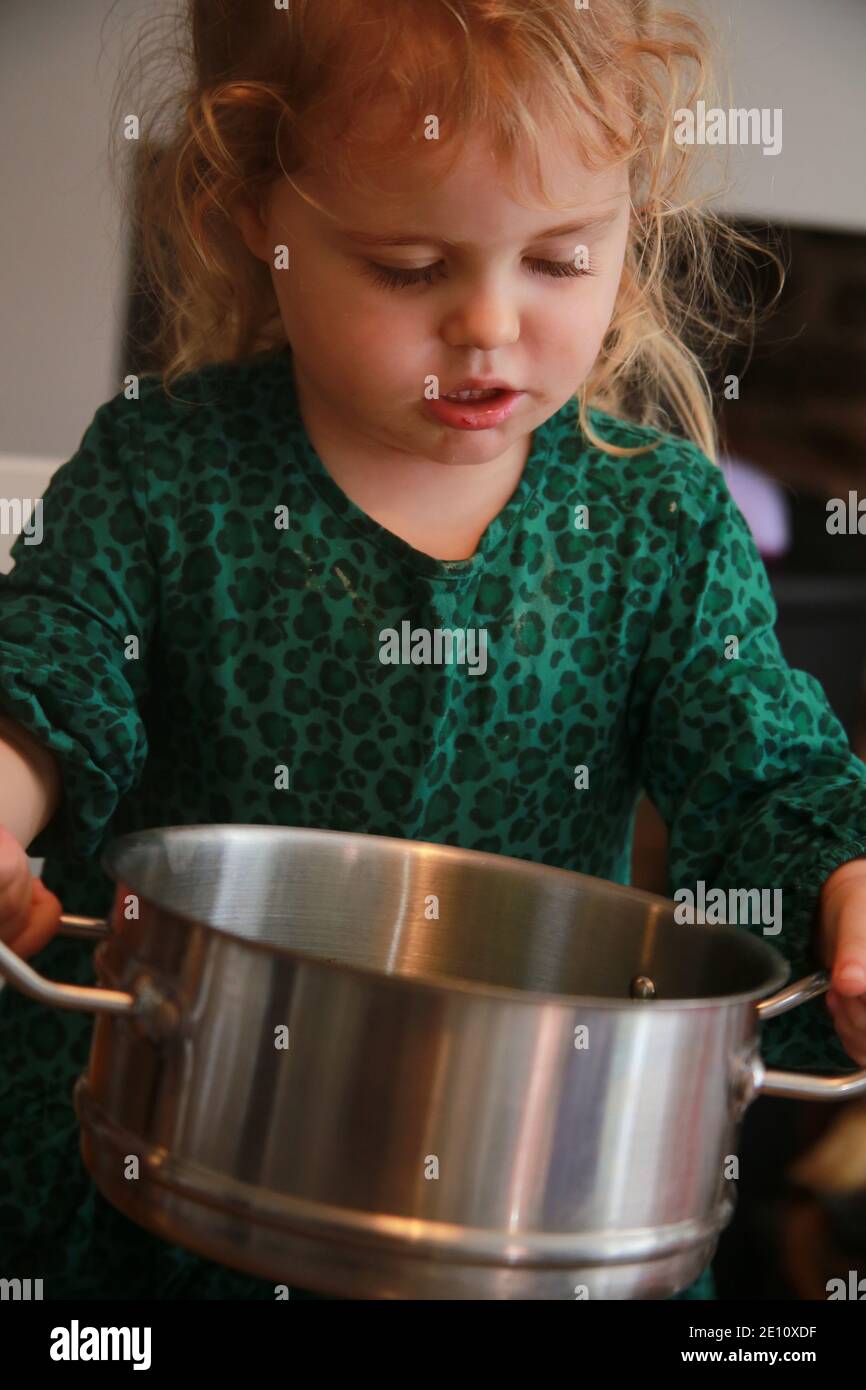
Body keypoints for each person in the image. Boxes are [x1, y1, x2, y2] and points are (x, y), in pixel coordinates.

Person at [1, 0, 865, 1304]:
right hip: (186, 1150)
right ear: (257, 214)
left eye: (560, 260)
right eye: (409, 267)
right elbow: (47, 672)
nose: (488, 325)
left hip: (528, 1187)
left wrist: (850, 892)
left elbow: (765, 776)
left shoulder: (659, 522)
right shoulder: (163, 470)